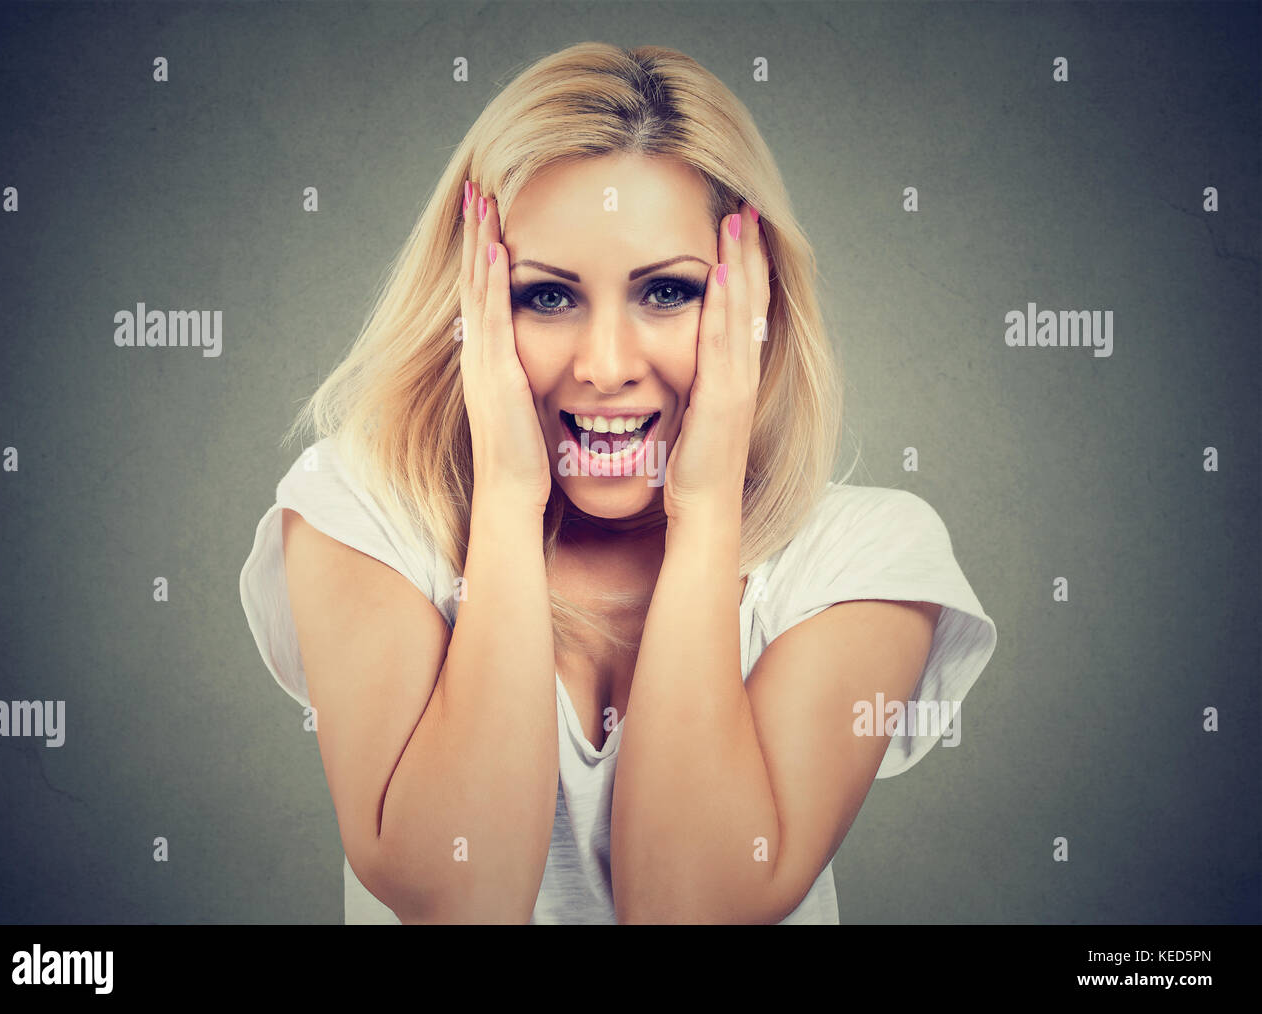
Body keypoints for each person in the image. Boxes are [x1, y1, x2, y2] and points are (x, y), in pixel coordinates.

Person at [239, 42, 997, 924]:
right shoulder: (360, 514)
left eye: (668, 292)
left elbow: (692, 911)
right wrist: (509, 500)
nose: (605, 367)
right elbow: (461, 898)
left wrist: (706, 510)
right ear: (471, 307)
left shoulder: (866, 558)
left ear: (754, 305)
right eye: (547, 298)